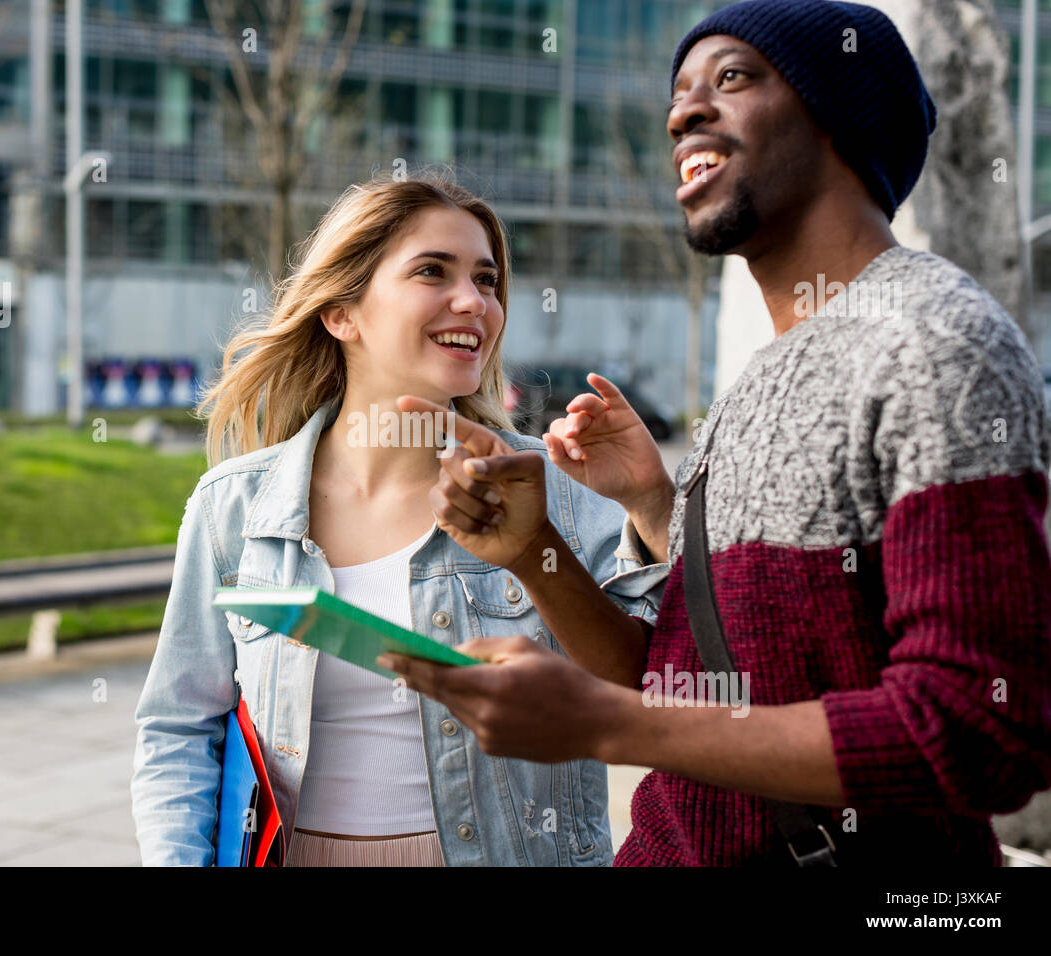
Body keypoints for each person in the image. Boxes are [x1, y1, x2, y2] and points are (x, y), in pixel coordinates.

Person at [381, 0, 1051, 867]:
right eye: (679, 93)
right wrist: (533, 549)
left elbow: (980, 728)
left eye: (731, 78)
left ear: (836, 114)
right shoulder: (755, 382)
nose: (681, 112)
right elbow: (680, 688)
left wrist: (605, 725)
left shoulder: (933, 342)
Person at [129, 172, 666, 866]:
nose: (474, 301)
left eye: (487, 279)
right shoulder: (233, 509)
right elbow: (178, 727)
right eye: (431, 272)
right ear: (341, 314)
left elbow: (658, 685)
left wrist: (651, 504)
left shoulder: (550, 486)